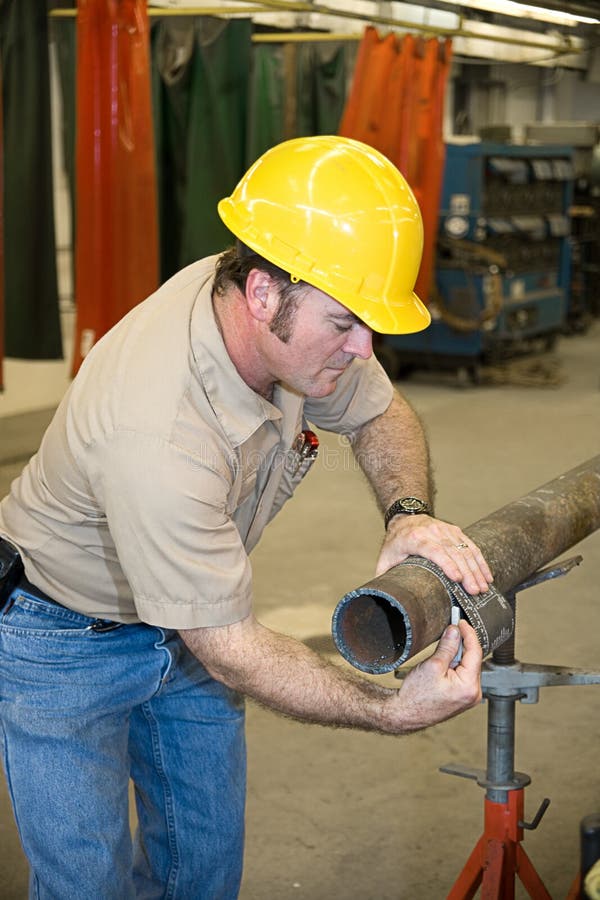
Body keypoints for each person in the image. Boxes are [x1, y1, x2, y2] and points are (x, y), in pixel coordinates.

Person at [0, 135, 493, 899]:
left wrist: (407, 516)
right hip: (65, 636)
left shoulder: (277, 313)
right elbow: (229, 648)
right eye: (346, 323)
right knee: (85, 885)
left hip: (188, 622)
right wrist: (392, 710)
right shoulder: (157, 431)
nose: (366, 349)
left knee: (201, 870)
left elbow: (379, 414)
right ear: (263, 294)